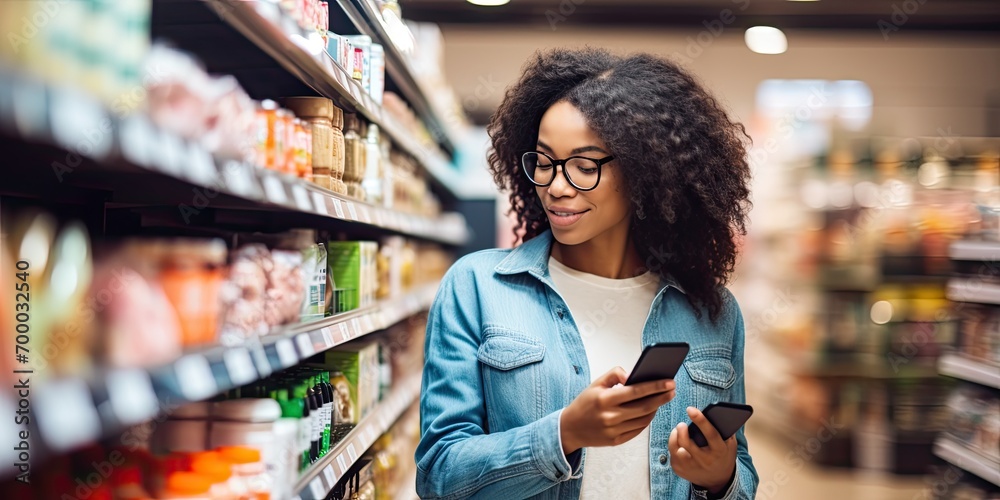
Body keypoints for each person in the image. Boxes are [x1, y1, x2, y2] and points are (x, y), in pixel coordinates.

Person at [415, 47, 757, 500]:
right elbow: (439, 474)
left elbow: (743, 474)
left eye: (583, 165)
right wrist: (564, 434)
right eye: (543, 161)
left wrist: (719, 479)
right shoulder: (477, 288)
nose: (556, 186)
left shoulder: (712, 311)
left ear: (643, 171)